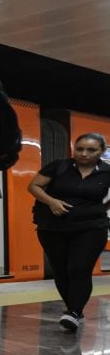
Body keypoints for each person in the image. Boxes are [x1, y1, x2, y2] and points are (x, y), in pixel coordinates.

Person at [28, 133, 110, 331]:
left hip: (91, 227)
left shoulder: (107, 172)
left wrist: (102, 209)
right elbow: (34, 186)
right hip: (52, 227)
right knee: (61, 270)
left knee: (79, 268)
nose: (84, 153)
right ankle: (74, 310)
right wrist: (51, 202)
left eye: (91, 150)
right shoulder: (59, 166)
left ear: (102, 151)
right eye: (79, 149)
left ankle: (73, 312)